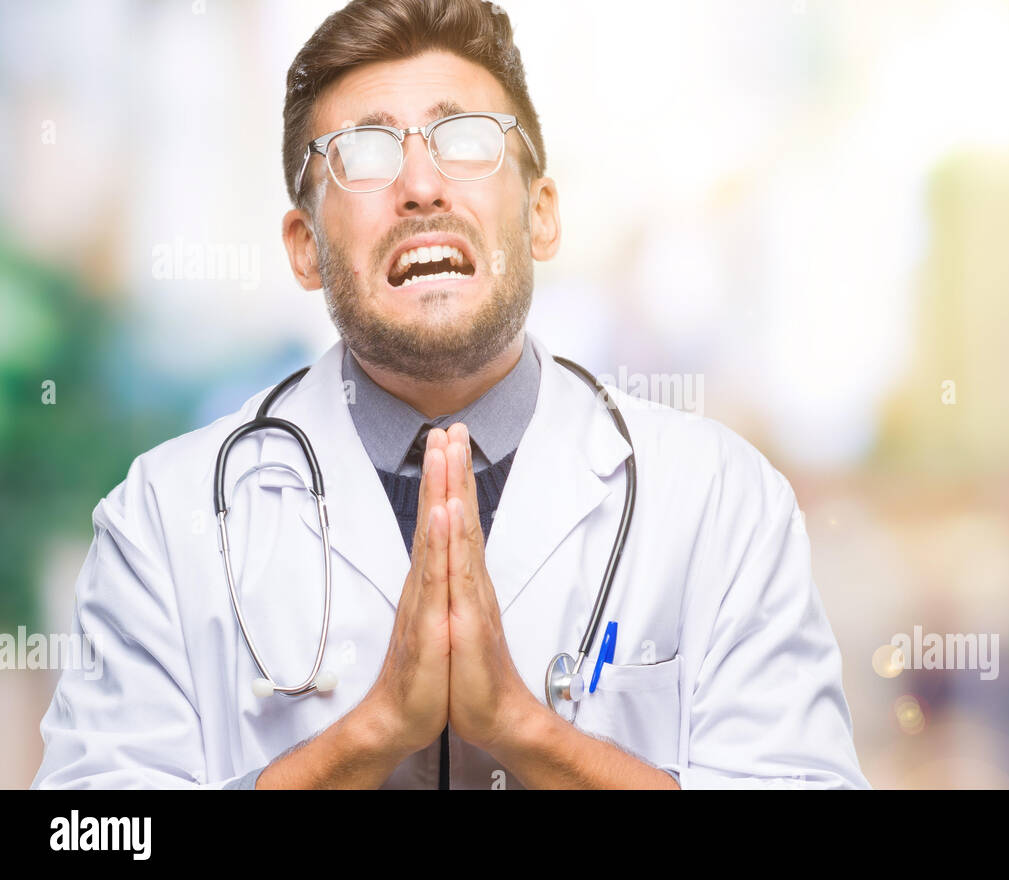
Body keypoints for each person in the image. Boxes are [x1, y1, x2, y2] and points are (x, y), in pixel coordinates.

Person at [31, 0, 868, 790]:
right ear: (305, 248)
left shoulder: (720, 500)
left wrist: (524, 730)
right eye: (363, 151)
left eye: (464, 140)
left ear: (541, 215)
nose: (422, 185)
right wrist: (370, 735)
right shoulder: (163, 520)